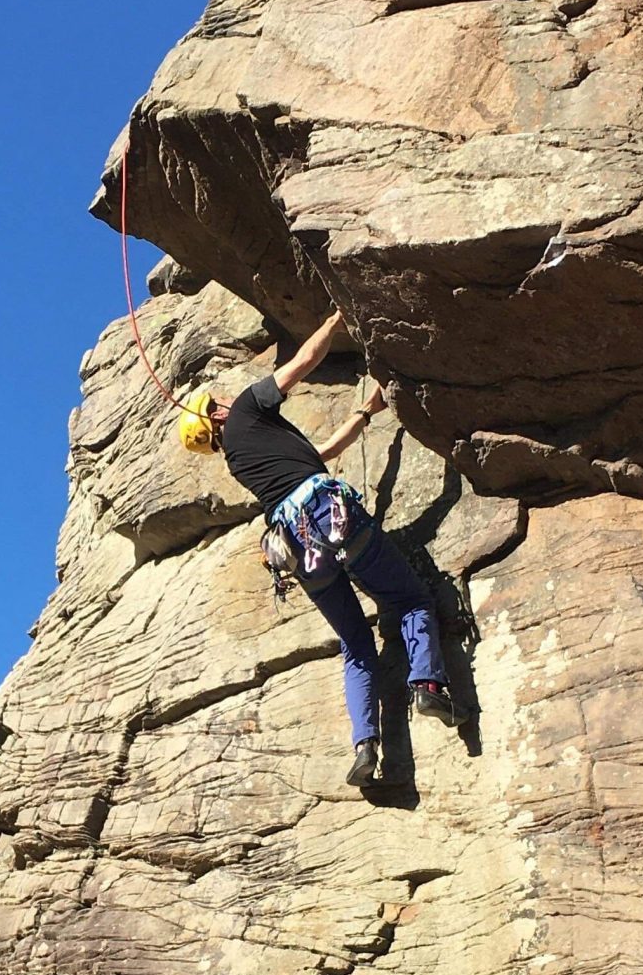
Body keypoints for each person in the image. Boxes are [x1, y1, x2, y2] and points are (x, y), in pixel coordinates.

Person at [178, 310, 457, 787]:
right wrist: (337, 317)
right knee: (410, 599)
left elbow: (322, 452)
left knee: (356, 647)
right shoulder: (248, 408)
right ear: (218, 414)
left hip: (297, 547)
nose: (225, 397)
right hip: (329, 515)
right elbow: (305, 359)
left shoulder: (241, 461)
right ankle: (428, 684)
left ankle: (366, 746)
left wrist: (367, 411)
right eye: (218, 400)